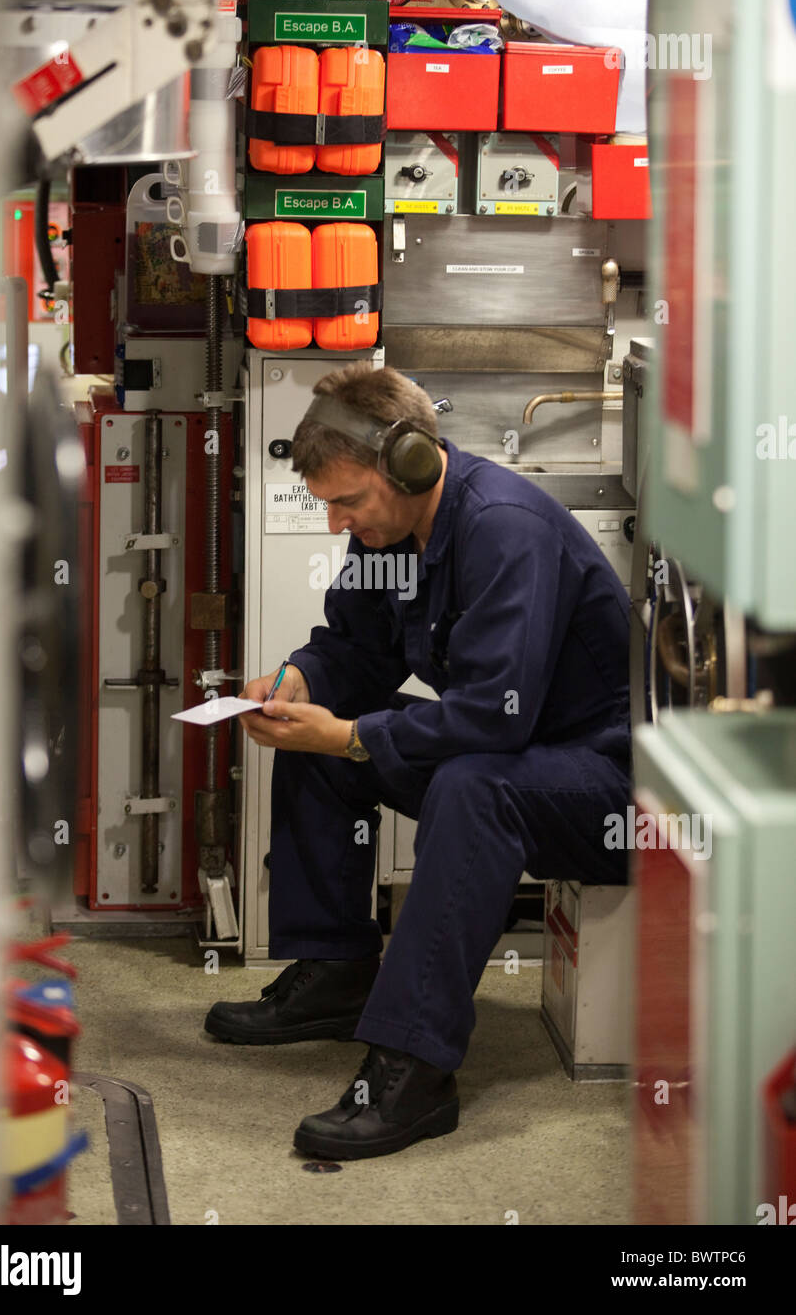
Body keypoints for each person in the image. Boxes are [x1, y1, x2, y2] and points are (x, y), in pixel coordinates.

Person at [205, 361, 631, 1161]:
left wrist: (348, 733)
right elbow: (354, 648)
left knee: (471, 785)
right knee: (322, 734)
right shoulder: (394, 532)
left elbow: (489, 721)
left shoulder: (505, 529)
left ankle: (416, 1067)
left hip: (607, 788)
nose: (336, 524)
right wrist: (299, 682)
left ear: (413, 465)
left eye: (347, 501)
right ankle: (335, 970)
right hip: (523, 758)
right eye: (326, 503)